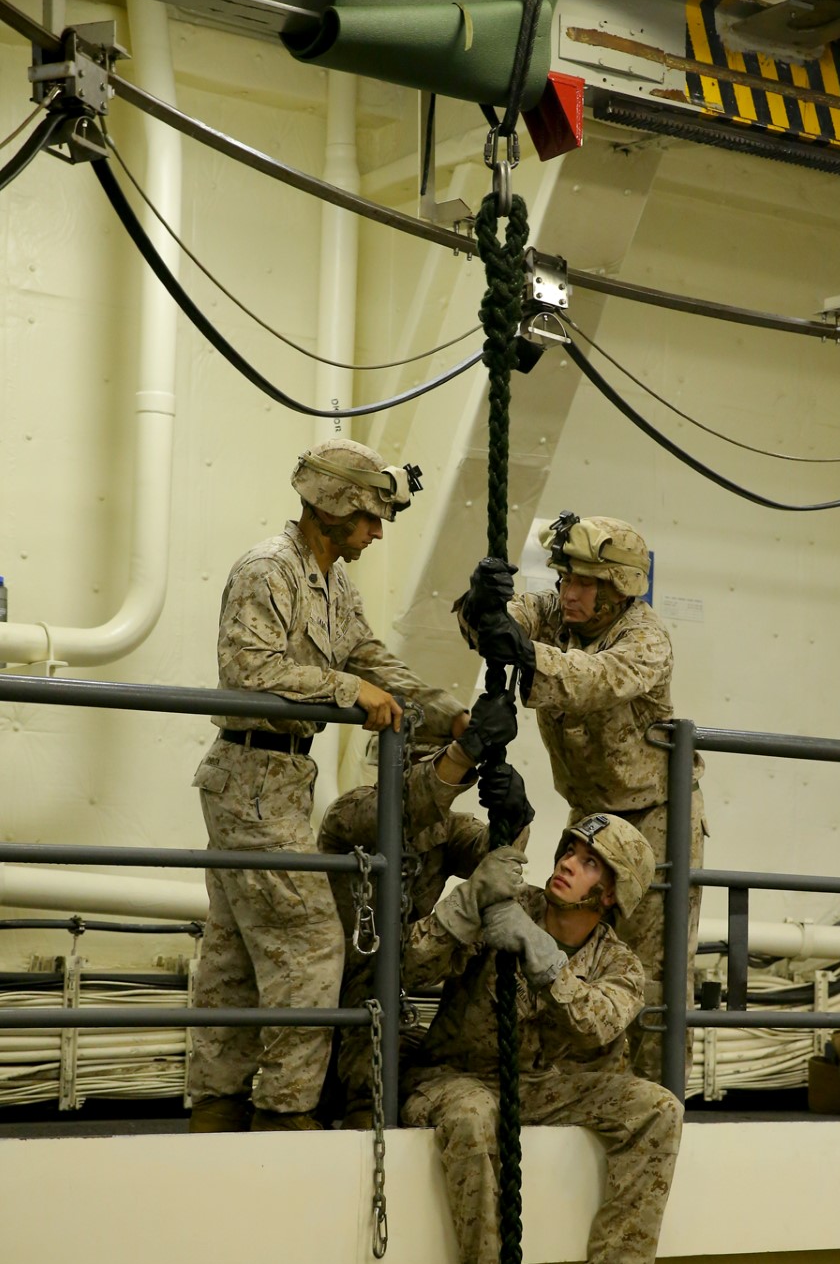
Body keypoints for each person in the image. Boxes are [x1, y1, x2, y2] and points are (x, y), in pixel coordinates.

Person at [188, 440, 469, 1134]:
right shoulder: (268, 570)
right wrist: (348, 690)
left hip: (277, 780)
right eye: (370, 517)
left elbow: (368, 657)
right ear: (333, 506)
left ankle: (216, 1110)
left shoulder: (332, 581)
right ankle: (285, 1114)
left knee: (234, 954)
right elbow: (250, 670)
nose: (377, 533)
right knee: (312, 942)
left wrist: (447, 712)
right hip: (251, 778)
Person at [401, 812, 686, 1264]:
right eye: (569, 852)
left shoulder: (619, 964)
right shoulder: (506, 905)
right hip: (458, 1075)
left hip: (547, 1088)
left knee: (659, 1108)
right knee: (472, 1116)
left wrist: (544, 958)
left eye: (589, 863)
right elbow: (410, 964)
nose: (568, 864)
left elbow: (598, 1022)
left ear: (610, 895)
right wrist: (470, 905)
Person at [456, 514, 707, 1081]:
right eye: (566, 578)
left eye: (586, 583)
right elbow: (495, 627)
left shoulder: (645, 639)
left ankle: (652, 1095)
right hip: (590, 816)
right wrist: (479, 606)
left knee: (652, 973)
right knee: (571, 949)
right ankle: (573, 1086)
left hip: (653, 822)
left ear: (619, 588)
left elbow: (589, 679)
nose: (569, 592)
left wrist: (521, 650)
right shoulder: (555, 612)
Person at [317, 691, 533, 1126]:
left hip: (390, 990)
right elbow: (399, 808)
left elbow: (493, 858)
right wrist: (463, 753)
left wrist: (516, 816)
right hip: (331, 991)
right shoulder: (350, 812)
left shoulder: (446, 830)